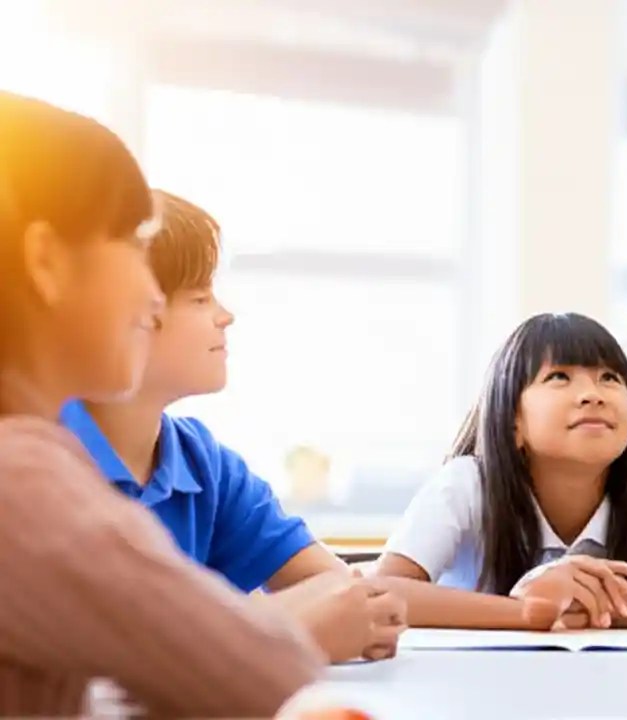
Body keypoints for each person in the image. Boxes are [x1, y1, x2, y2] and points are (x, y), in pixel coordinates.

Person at [0, 90, 322, 716]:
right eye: (131, 245)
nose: (152, 297)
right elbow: (266, 673)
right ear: (46, 262)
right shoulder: (20, 479)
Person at [61, 189, 406, 663]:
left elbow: (345, 597)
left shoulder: (202, 464)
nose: (226, 315)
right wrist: (275, 628)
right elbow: (96, 662)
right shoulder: (40, 463)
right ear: (131, 315)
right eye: (201, 297)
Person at [377, 313, 627, 629]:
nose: (592, 395)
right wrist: (526, 611)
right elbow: (382, 591)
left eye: (609, 377)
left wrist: (579, 601)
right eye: (560, 376)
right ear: (513, 421)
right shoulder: (467, 484)